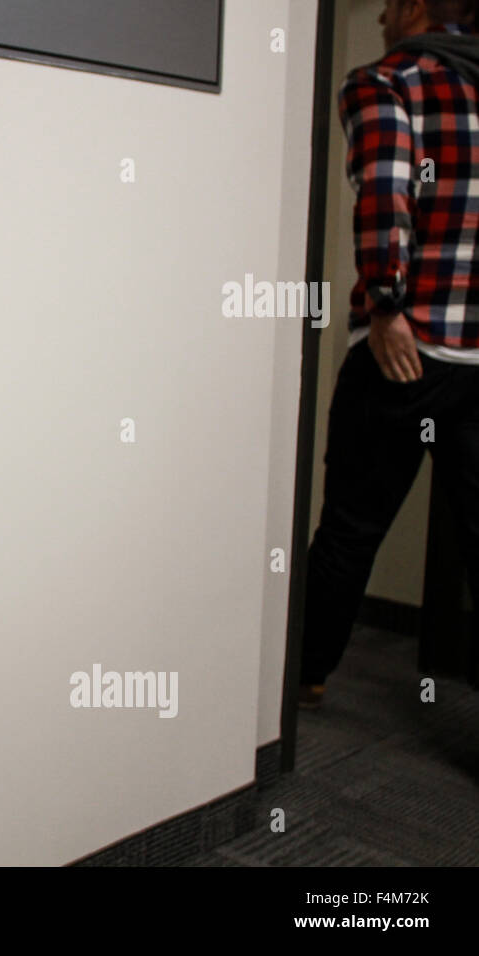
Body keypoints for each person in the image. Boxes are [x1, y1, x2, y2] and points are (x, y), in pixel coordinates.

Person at [300, 0, 479, 708]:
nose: (377, 15)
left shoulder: (386, 81)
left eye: (388, 3)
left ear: (415, 8)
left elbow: (385, 192)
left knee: (350, 525)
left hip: (404, 349)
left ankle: (301, 677)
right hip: (476, 361)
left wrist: (386, 303)